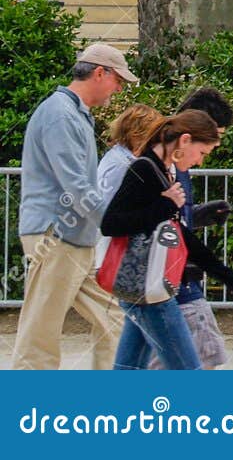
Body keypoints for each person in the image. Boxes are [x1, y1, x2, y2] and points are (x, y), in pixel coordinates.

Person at [13, 43, 136, 370]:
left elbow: (82, 186)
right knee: (40, 334)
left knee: (115, 320)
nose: (119, 88)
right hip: (56, 236)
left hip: (72, 237)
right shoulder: (60, 114)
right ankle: (26, 409)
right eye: (118, 80)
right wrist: (116, 222)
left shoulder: (73, 113)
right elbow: (77, 185)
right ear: (100, 73)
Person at [100, 110, 233, 371]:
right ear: (185, 140)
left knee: (128, 369)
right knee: (187, 369)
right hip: (149, 290)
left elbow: (181, 235)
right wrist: (165, 205)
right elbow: (111, 223)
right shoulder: (145, 169)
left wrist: (229, 277)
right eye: (202, 153)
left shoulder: (159, 170)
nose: (201, 162)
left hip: (144, 288)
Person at [162, 86, 233, 369]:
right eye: (212, 139)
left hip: (170, 277)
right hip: (175, 280)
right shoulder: (166, 164)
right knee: (203, 353)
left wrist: (198, 215)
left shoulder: (172, 160)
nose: (208, 154)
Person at [96, 104, 164, 203]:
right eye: (153, 136)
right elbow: (111, 209)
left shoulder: (119, 156)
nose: (156, 142)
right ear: (136, 135)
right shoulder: (121, 166)